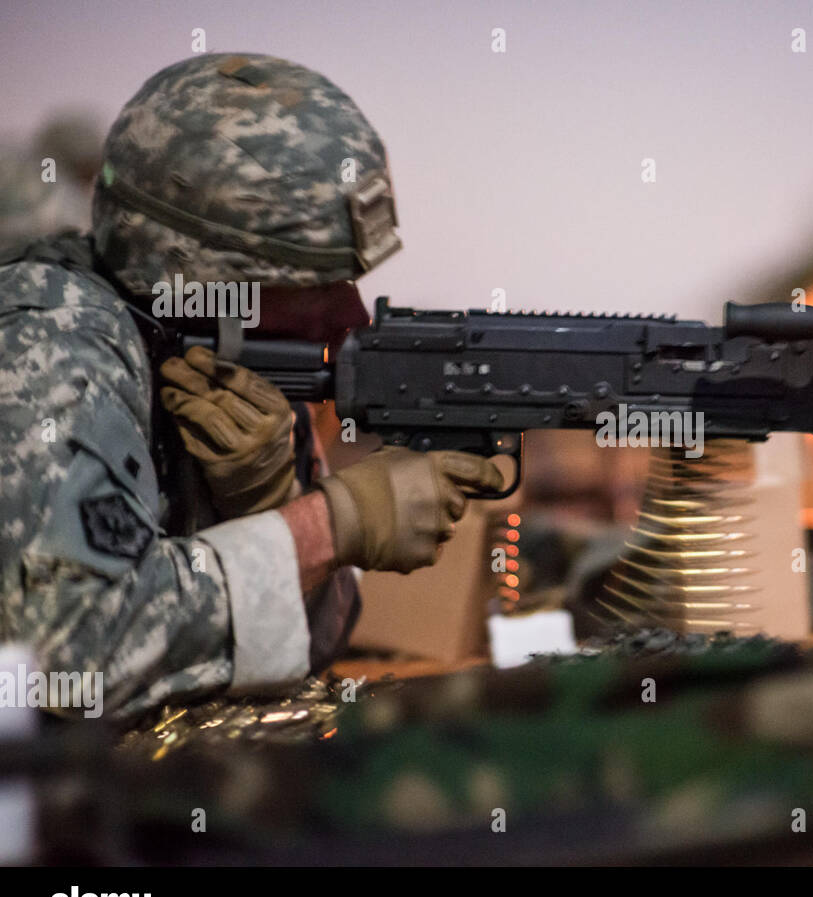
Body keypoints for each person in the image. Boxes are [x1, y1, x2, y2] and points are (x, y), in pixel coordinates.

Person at [0, 53, 502, 720]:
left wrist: (264, 507)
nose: (351, 316)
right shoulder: (53, 336)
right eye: (311, 281)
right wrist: (324, 526)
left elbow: (315, 641)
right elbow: (64, 658)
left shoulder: (231, 354)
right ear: (204, 277)